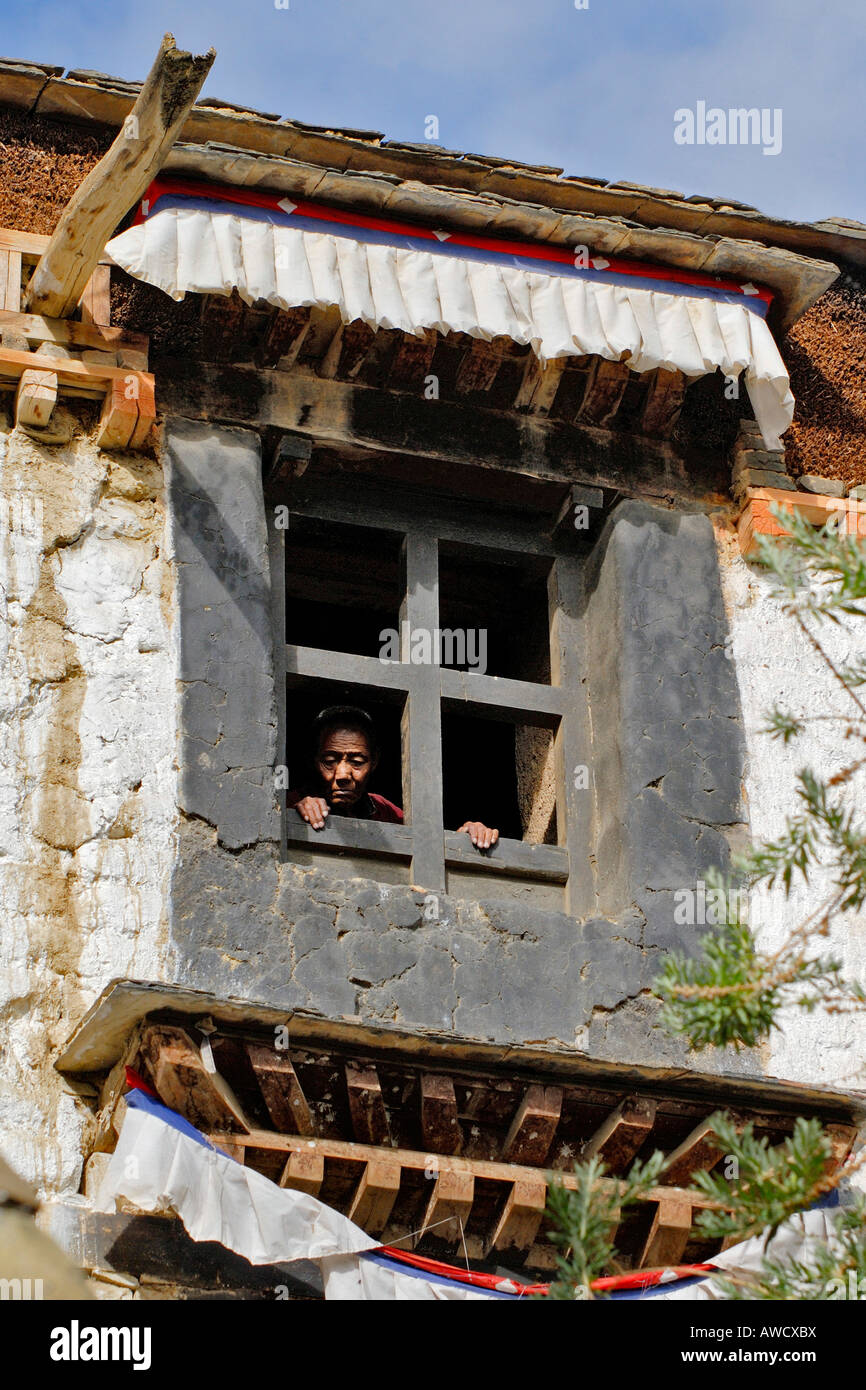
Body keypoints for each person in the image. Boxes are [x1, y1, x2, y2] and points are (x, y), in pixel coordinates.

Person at [288, 704, 499, 849]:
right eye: (330, 761)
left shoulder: (383, 809)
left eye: (357, 762)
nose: (343, 774)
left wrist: (465, 836)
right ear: (313, 760)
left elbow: (426, 843)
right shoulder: (292, 803)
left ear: (374, 762)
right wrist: (294, 813)